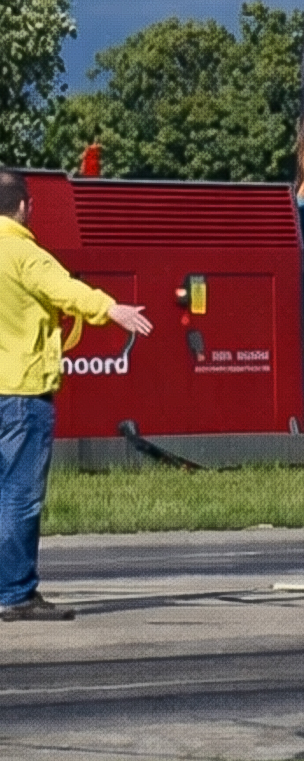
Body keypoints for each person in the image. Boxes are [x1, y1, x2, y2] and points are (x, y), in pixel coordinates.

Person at [0, 169, 154, 621]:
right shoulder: (23, 253)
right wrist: (112, 308)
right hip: (22, 391)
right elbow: (65, 290)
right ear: (25, 207)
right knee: (19, 495)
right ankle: (14, 594)